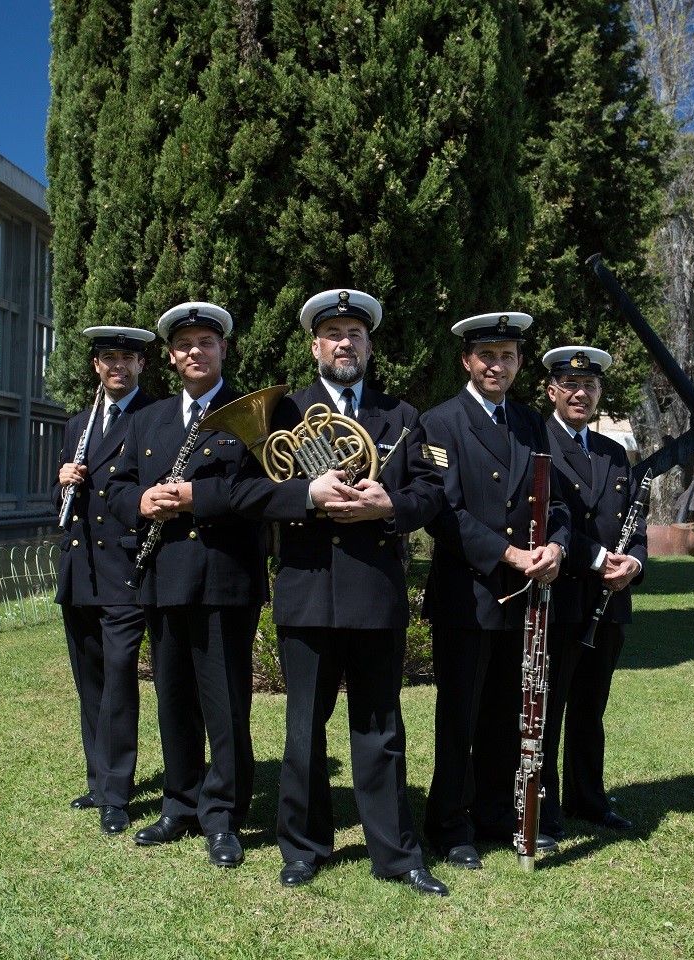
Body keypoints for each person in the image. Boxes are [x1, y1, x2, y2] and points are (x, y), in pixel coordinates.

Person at [231, 288, 449, 896]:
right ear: (315, 346)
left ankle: (397, 854)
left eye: (355, 333)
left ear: (370, 345)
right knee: (303, 727)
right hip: (307, 589)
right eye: (333, 335)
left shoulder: (402, 417)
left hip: (375, 590)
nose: (344, 343)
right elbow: (243, 495)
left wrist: (391, 505)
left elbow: (432, 491)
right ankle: (302, 847)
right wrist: (306, 495)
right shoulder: (283, 414)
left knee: (380, 725)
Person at [105, 301, 267, 869]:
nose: (195, 352)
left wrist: (201, 499)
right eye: (184, 345)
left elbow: (264, 492)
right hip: (164, 577)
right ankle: (181, 802)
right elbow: (117, 488)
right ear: (171, 357)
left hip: (226, 578)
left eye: (206, 342)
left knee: (224, 703)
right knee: (173, 700)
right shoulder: (146, 419)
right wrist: (140, 501)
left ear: (225, 349)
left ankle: (222, 815)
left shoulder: (250, 413)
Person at [419, 312, 569, 871]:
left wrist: (555, 547)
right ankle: (449, 823)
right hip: (470, 592)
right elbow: (444, 513)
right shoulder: (442, 422)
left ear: (519, 364)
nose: (496, 366)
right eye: (487, 356)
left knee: (508, 713)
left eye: (507, 356)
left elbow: (555, 504)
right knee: (460, 715)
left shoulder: (532, 424)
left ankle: (494, 814)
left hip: (526, 593)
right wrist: (507, 554)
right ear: (467, 361)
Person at [53, 325, 158, 836]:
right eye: (108, 358)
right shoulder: (80, 422)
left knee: (119, 680)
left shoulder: (153, 418)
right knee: (89, 680)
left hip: (124, 570)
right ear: (96, 366)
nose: (117, 366)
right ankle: (98, 779)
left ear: (142, 366)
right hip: (80, 571)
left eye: (127, 358)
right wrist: (61, 483)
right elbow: (67, 506)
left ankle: (117, 793)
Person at [539, 345, 647, 834]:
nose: (581, 394)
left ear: (599, 393)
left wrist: (634, 563)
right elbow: (545, 520)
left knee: (591, 705)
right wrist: (599, 559)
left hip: (610, 601)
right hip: (561, 595)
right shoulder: (536, 442)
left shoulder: (614, 453)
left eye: (590, 387)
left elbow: (634, 524)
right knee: (550, 706)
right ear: (552, 391)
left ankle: (589, 797)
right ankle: (545, 805)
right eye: (571, 386)